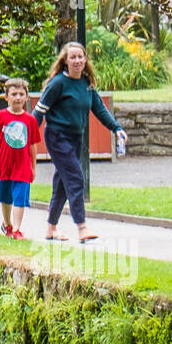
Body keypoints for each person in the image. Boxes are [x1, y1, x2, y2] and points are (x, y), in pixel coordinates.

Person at [33, 42, 127, 242]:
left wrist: (116, 128)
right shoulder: (58, 83)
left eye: (80, 57)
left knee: (61, 183)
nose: (77, 61)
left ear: (85, 60)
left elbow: (100, 110)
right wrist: (29, 136)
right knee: (75, 178)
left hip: (75, 138)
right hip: (57, 137)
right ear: (65, 61)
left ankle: (51, 228)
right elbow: (40, 110)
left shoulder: (86, 84)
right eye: (72, 57)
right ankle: (82, 227)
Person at [0, 78, 41, 240]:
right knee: (6, 197)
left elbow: (32, 145)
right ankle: (7, 223)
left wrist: (33, 167)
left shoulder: (30, 120)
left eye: (21, 94)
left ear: (26, 98)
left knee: (20, 198)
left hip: (22, 166)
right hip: (5, 165)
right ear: (6, 97)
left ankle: (17, 229)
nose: (17, 97)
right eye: (14, 94)